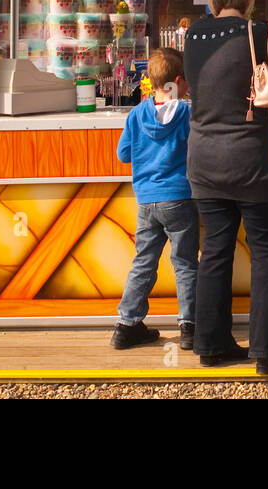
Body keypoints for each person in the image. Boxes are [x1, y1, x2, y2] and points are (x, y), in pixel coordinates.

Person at [183, 0, 268, 375]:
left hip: (204, 161)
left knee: (214, 252)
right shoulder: (260, 33)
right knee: (266, 255)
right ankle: (267, 352)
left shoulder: (193, 35)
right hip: (252, 161)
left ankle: (211, 345)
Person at [112, 48, 198, 351]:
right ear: (177, 82)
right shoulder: (187, 113)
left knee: (144, 262)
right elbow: (196, 152)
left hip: (146, 201)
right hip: (179, 198)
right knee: (185, 263)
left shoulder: (137, 114)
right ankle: (189, 326)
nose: (188, 86)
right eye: (186, 81)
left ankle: (126, 325)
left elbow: (124, 154)